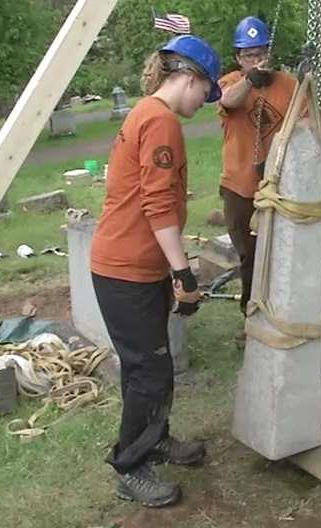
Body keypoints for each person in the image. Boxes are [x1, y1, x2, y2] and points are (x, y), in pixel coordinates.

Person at [89, 34, 222, 508]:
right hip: (126, 268)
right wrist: (183, 274)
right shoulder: (160, 120)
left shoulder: (147, 112)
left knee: (149, 366)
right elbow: (159, 205)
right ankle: (130, 466)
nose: (206, 101)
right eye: (206, 90)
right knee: (150, 371)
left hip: (130, 266)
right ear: (189, 77)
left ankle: (155, 438)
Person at [215, 16, 298, 344]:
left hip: (278, 186)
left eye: (261, 53)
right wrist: (250, 79)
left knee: (282, 249)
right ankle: (250, 318)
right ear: (239, 58)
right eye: (249, 55)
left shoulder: (288, 84)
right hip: (238, 186)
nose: (257, 60)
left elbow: (305, 125)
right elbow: (228, 102)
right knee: (249, 255)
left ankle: (282, 310)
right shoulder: (230, 82)